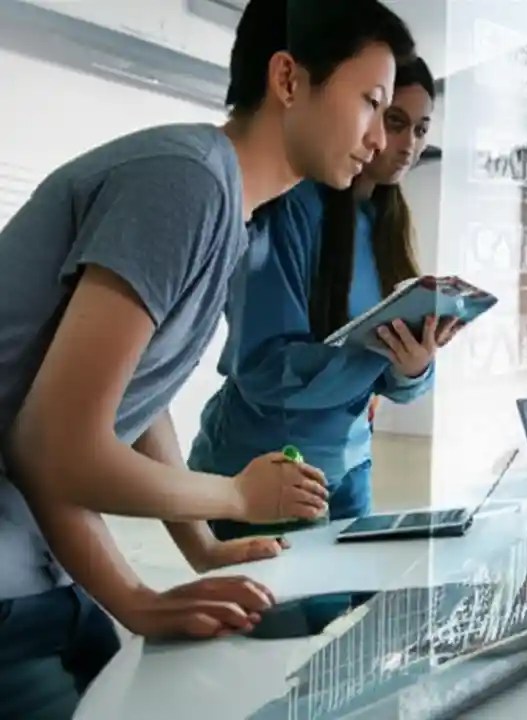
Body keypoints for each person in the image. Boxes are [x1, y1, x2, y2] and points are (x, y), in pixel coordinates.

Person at [0, 0, 415, 715]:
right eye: (372, 103)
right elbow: (54, 447)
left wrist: (199, 548)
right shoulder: (185, 183)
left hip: (42, 563)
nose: (379, 139)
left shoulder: (225, 206)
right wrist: (234, 499)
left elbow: (137, 392)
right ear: (288, 79)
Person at [189, 57, 455, 540]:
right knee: (267, 592)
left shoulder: (387, 227)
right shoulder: (288, 210)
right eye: (394, 121)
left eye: (420, 129)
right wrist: (377, 352)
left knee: (353, 592)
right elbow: (264, 369)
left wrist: (413, 365)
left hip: (350, 471)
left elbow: (396, 386)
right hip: (265, 471)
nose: (408, 145)